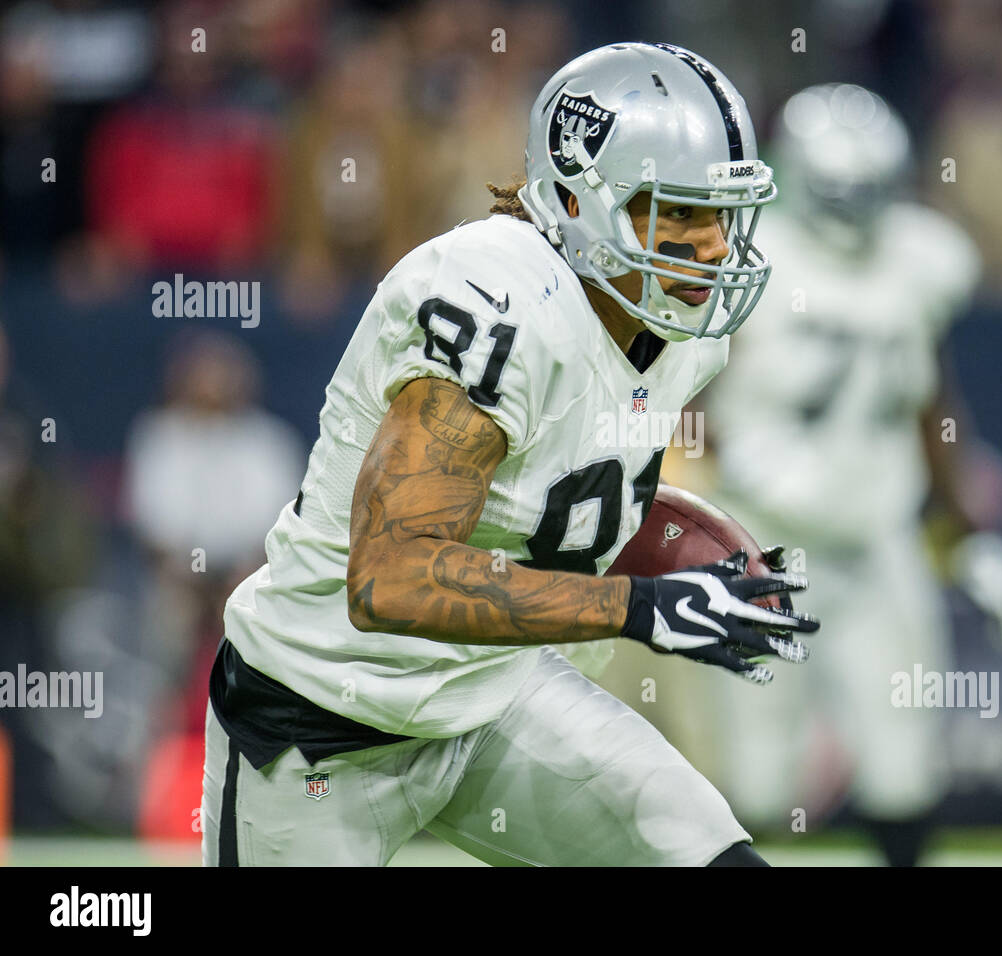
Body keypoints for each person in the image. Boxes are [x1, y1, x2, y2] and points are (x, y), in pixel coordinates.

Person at [200, 41, 817, 868]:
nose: (710, 247)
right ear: (577, 198)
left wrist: (673, 554)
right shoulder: (494, 302)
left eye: (723, 215)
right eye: (676, 213)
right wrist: (641, 607)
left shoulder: (677, 326)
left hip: (495, 696)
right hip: (323, 723)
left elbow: (558, 501)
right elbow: (392, 576)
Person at [701, 84, 1002, 866]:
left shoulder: (920, 260)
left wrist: (965, 535)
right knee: (753, 774)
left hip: (876, 533)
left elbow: (930, 404)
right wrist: (710, 454)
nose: (854, 204)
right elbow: (681, 391)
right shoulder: (746, 260)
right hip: (761, 538)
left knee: (904, 758)